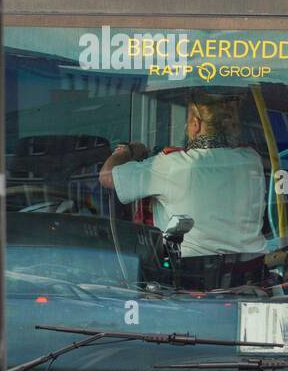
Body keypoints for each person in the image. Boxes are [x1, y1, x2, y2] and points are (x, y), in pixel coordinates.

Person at [99, 93, 267, 287]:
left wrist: (126, 151)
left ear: (195, 124)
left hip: (188, 280)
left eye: (187, 121)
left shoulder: (173, 165)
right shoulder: (251, 160)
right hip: (249, 276)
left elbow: (107, 176)